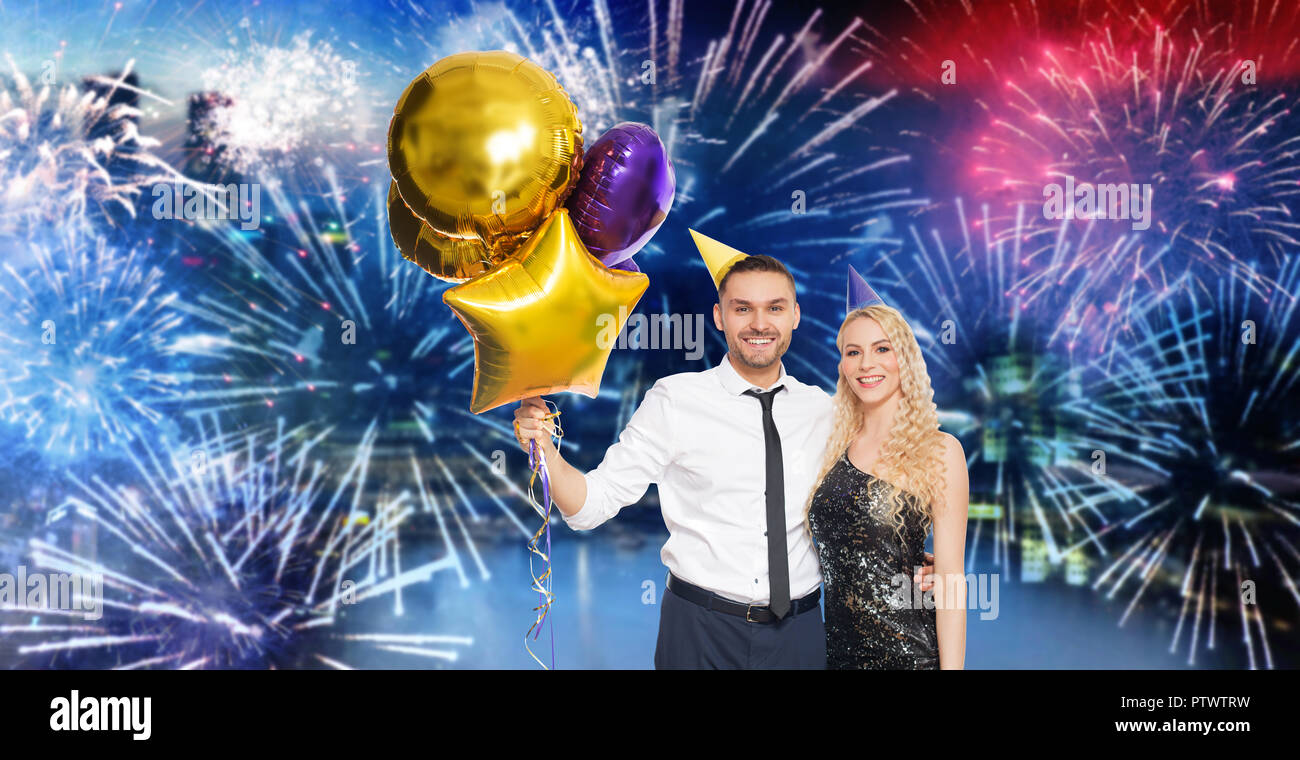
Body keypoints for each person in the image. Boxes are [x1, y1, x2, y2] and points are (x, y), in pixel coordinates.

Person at [512, 230, 933, 669]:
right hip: (698, 630)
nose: (759, 323)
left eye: (774, 308)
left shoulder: (827, 412)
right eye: (742, 308)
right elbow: (590, 506)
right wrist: (545, 449)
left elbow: (875, 497)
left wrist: (928, 565)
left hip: (801, 633)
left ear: (795, 315)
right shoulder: (674, 400)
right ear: (719, 316)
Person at [804, 302, 969, 669]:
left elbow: (951, 582)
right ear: (843, 365)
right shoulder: (833, 444)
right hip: (836, 657)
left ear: (905, 358)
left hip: (910, 656)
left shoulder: (940, 451)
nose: (866, 364)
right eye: (853, 352)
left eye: (882, 348)